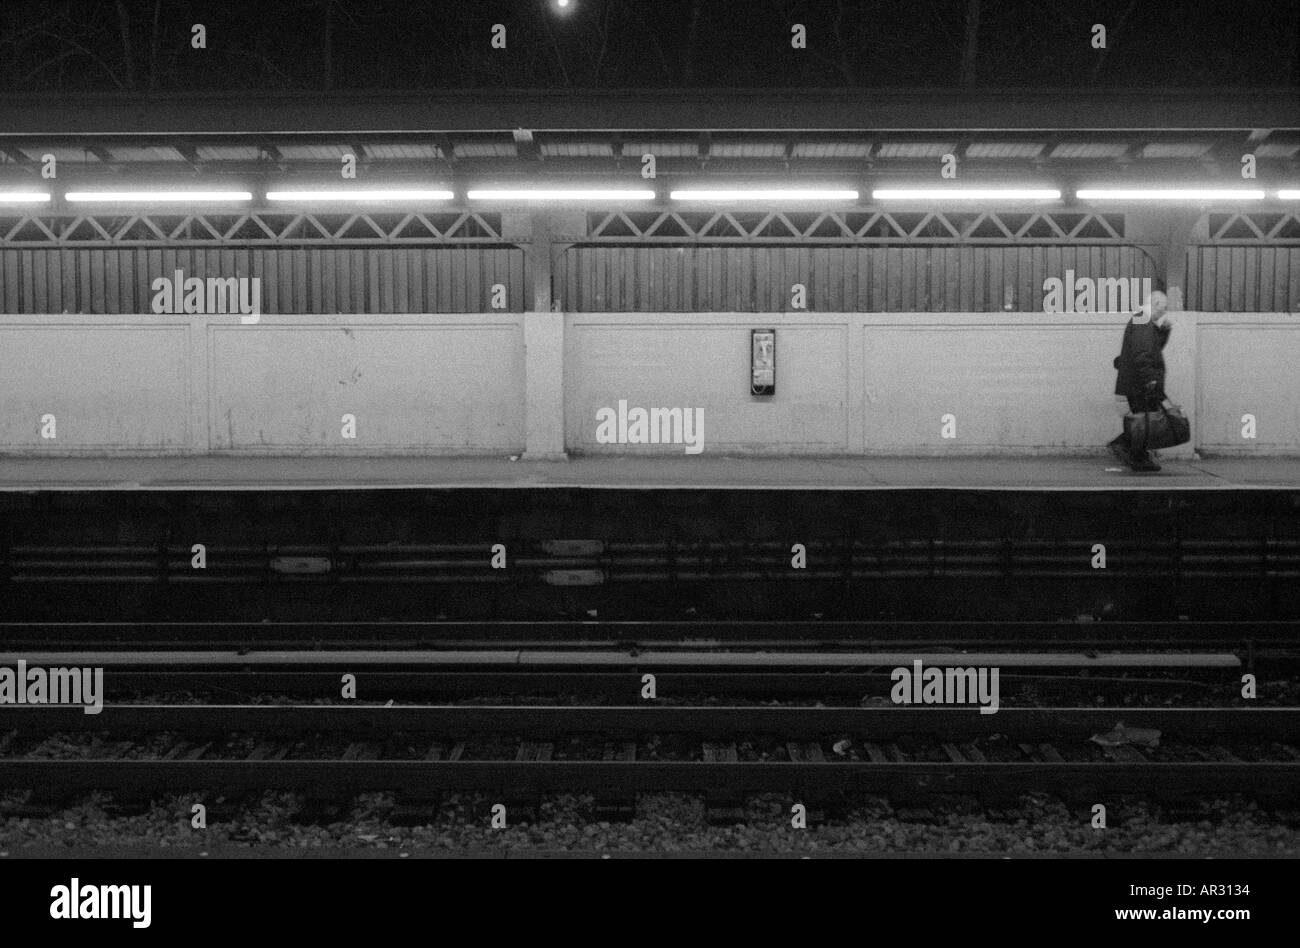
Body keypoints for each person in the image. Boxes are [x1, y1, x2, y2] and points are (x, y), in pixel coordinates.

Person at [1108, 289, 1173, 472]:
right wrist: (1150, 379)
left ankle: (1135, 453)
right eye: (1164, 307)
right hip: (1138, 385)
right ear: (1155, 304)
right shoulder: (1142, 320)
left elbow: (1151, 348)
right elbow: (1142, 354)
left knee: (1143, 421)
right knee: (1143, 422)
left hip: (1136, 384)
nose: (1164, 312)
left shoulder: (1144, 322)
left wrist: (1163, 332)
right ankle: (1135, 455)